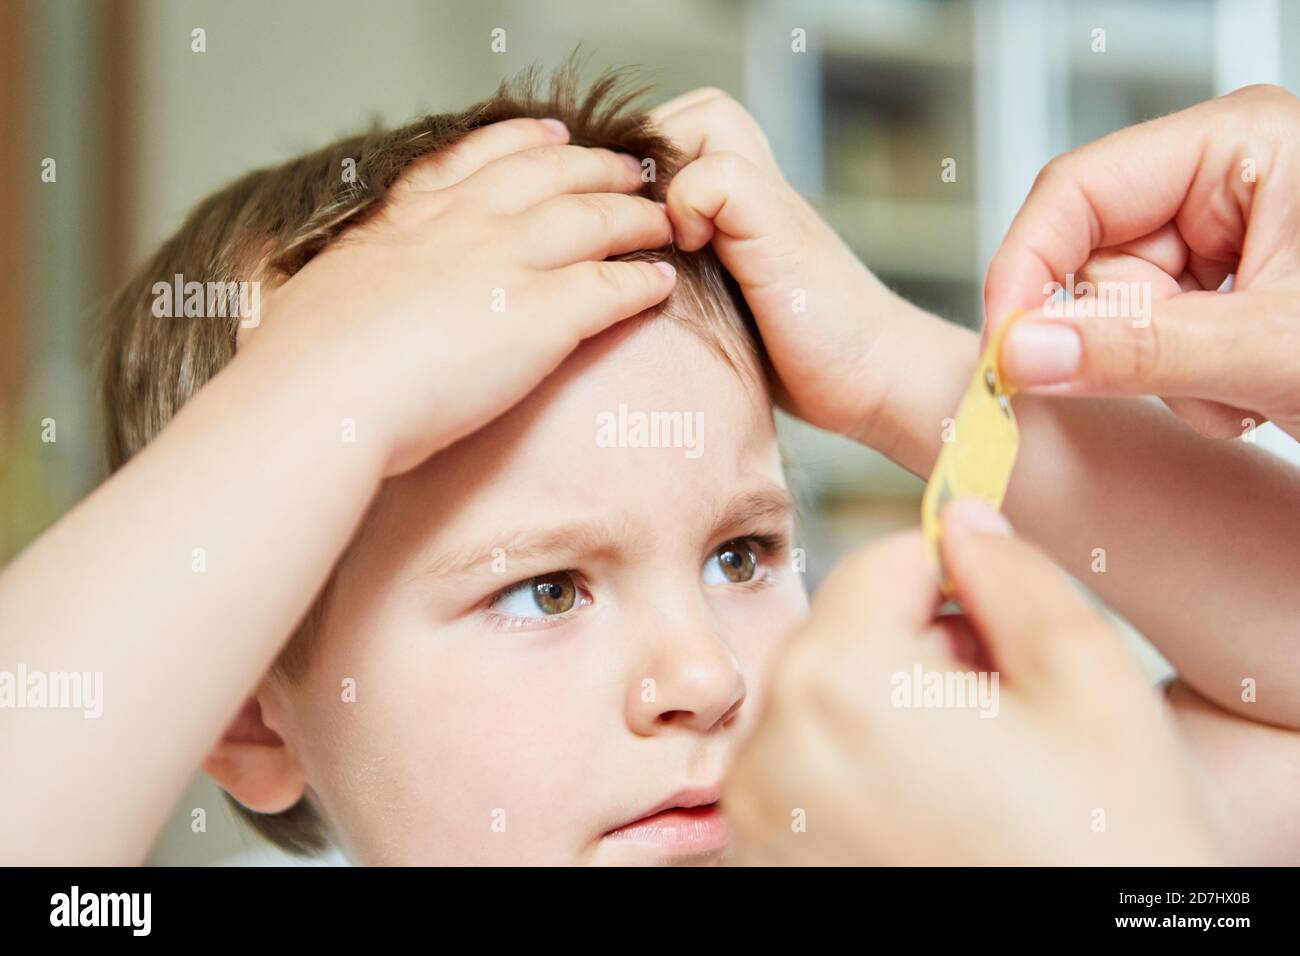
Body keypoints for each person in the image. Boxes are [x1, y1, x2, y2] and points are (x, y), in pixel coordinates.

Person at [1, 72, 1297, 865]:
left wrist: (895, 363)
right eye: (549, 589)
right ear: (244, 708)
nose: (706, 677)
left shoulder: (915, 839)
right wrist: (329, 384)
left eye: (743, 555)